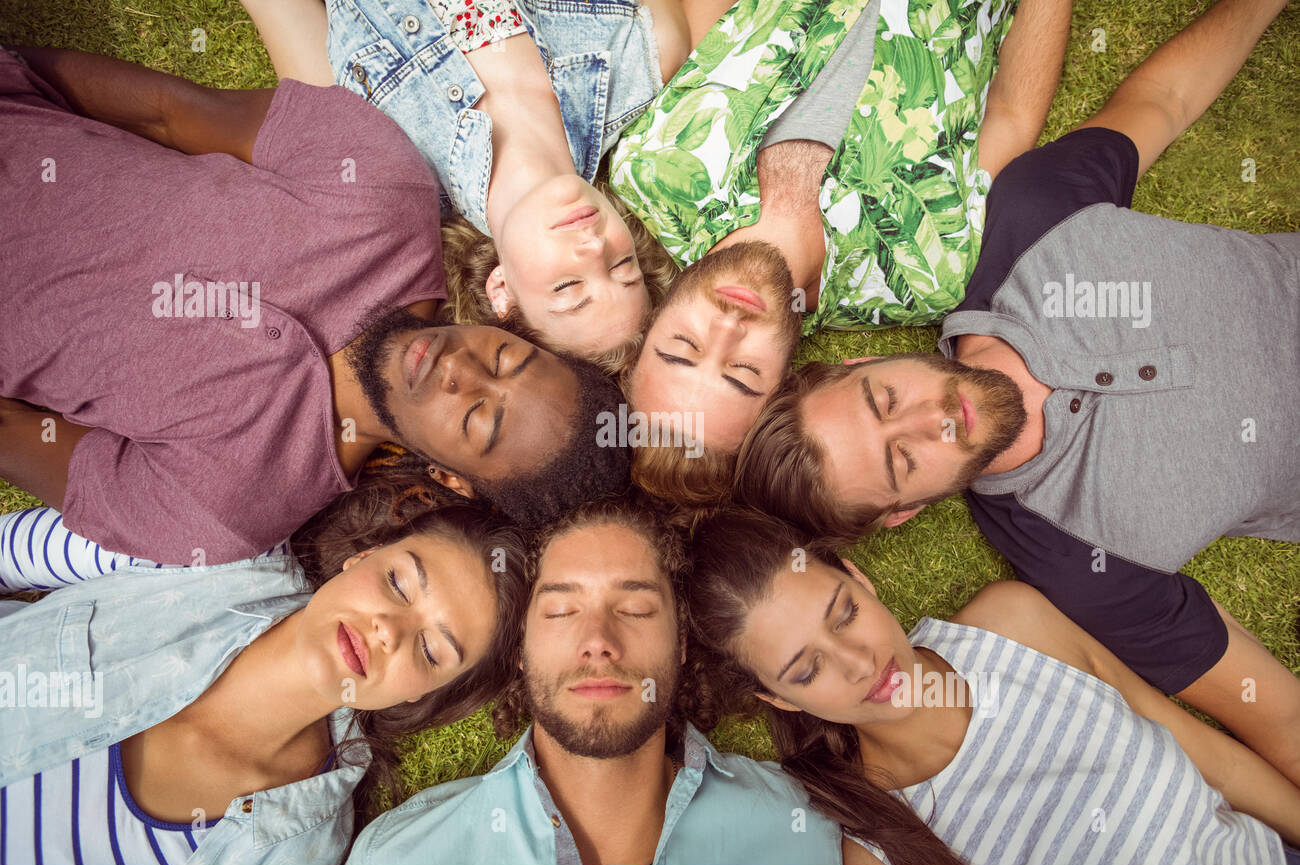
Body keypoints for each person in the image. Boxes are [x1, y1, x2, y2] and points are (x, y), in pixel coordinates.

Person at [733, 0, 1300, 787]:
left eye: (884, 400)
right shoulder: (1076, 563)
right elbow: (1276, 714)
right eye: (902, 461)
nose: (932, 418)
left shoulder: (1030, 220)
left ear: (855, 364)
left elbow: (1160, 103)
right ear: (907, 512)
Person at [0, 45, 630, 567]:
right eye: (504, 357)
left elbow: (15, 434)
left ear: (451, 479)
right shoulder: (382, 186)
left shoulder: (226, 509)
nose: (459, 371)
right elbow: (165, 114)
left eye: (477, 420)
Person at [610, 0, 1072, 501]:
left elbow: (724, 21)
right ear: (786, 387)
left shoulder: (653, 171)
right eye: (743, 372)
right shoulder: (919, 274)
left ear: (647, 328)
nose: (726, 328)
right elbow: (1013, 115)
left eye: (684, 345)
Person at [687, 509, 1300, 865]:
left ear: (860, 578)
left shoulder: (1013, 624)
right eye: (806, 670)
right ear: (780, 699)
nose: (858, 663)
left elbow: (1204, 752)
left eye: (844, 613)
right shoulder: (874, 840)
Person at [346, 496, 884, 865]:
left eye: (636, 607)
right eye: (559, 611)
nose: (598, 638)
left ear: (680, 645)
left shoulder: (798, 826)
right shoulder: (400, 855)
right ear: (520, 653)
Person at [0, 499, 530, 865]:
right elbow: (11, 551)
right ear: (363, 556)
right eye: (398, 582)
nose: (388, 631)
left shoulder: (292, 851)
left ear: (421, 693)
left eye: (432, 650)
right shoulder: (214, 544)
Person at [237, 0, 717, 369]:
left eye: (569, 286)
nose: (593, 249)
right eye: (622, 266)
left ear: (501, 290)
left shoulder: (372, 160)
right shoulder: (645, 64)